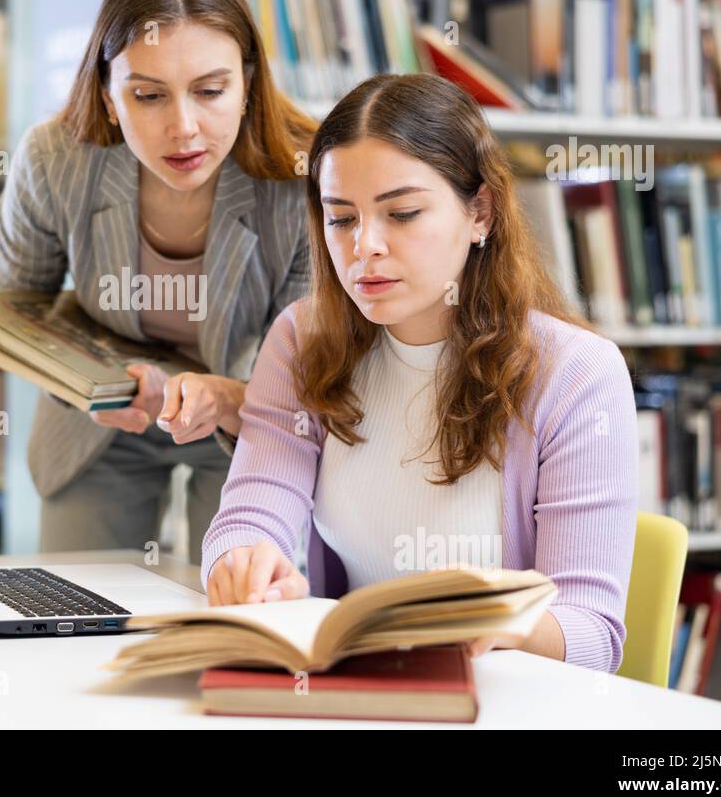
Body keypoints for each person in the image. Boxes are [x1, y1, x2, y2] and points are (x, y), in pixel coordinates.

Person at [202, 73, 639, 672]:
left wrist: (502, 618)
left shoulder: (577, 374)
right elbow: (252, 513)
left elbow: (593, 637)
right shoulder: (302, 342)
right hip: (359, 694)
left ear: (480, 211)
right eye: (342, 219)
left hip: (505, 704)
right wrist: (245, 562)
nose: (365, 247)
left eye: (402, 213)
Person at [0, 0, 316, 563]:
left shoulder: (305, 175)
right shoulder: (53, 160)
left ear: (248, 83)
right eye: (148, 96)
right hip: (102, 425)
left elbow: (310, 358)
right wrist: (99, 382)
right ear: (110, 96)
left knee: (239, 611)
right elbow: (16, 314)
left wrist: (222, 398)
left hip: (253, 412)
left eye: (211, 91)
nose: (184, 128)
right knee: (79, 618)